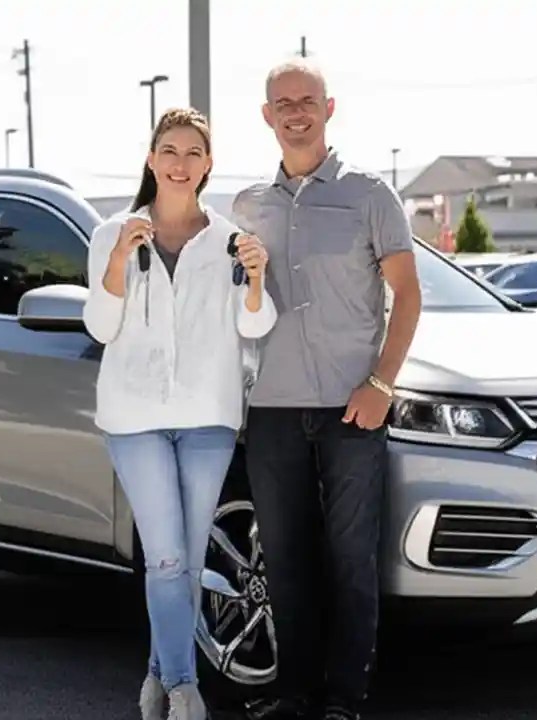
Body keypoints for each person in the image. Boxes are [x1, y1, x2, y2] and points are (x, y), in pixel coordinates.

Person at [230, 59, 422, 720]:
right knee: (284, 560)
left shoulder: (371, 197)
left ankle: (345, 701)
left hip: (353, 407)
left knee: (349, 561)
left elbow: (409, 295)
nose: (295, 111)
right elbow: (236, 307)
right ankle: (295, 692)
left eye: (305, 99)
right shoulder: (247, 207)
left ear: (328, 107)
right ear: (266, 115)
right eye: (282, 102)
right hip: (273, 408)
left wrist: (381, 384)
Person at [83, 107, 278, 720]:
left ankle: (154, 676)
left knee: (188, 561)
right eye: (169, 150)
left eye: (194, 153)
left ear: (208, 164)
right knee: (166, 556)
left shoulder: (227, 239)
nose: (180, 163)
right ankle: (184, 690)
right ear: (151, 158)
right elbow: (100, 325)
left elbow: (256, 324)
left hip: (208, 417)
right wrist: (117, 263)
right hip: (133, 419)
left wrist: (254, 279)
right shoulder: (112, 232)